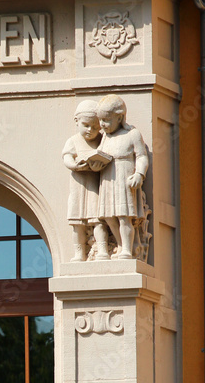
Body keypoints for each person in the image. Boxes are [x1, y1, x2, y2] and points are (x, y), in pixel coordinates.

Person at [96, 94, 148, 260]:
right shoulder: (106, 136)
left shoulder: (132, 134)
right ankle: (120, 244)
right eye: (100, 120)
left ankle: (126, 248)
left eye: (106, 120)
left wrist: (139, 173)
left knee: (124, 216)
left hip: (124, 177)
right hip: (107, 177)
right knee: (108, 216)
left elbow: (142, 156)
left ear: (119, 117)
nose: (102, 124)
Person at [62, 100, 111, 261]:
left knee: (98, 220)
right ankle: (79, 253)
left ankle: (102, 249)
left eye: (95, 127)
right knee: (77, 223)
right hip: (78, 187)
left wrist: (98, 165)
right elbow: (67, 157)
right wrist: (75, 165)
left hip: (95, 187)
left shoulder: (102, 140)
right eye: (86, 125)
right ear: (77, 121)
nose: (91, 130)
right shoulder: (73, 140)